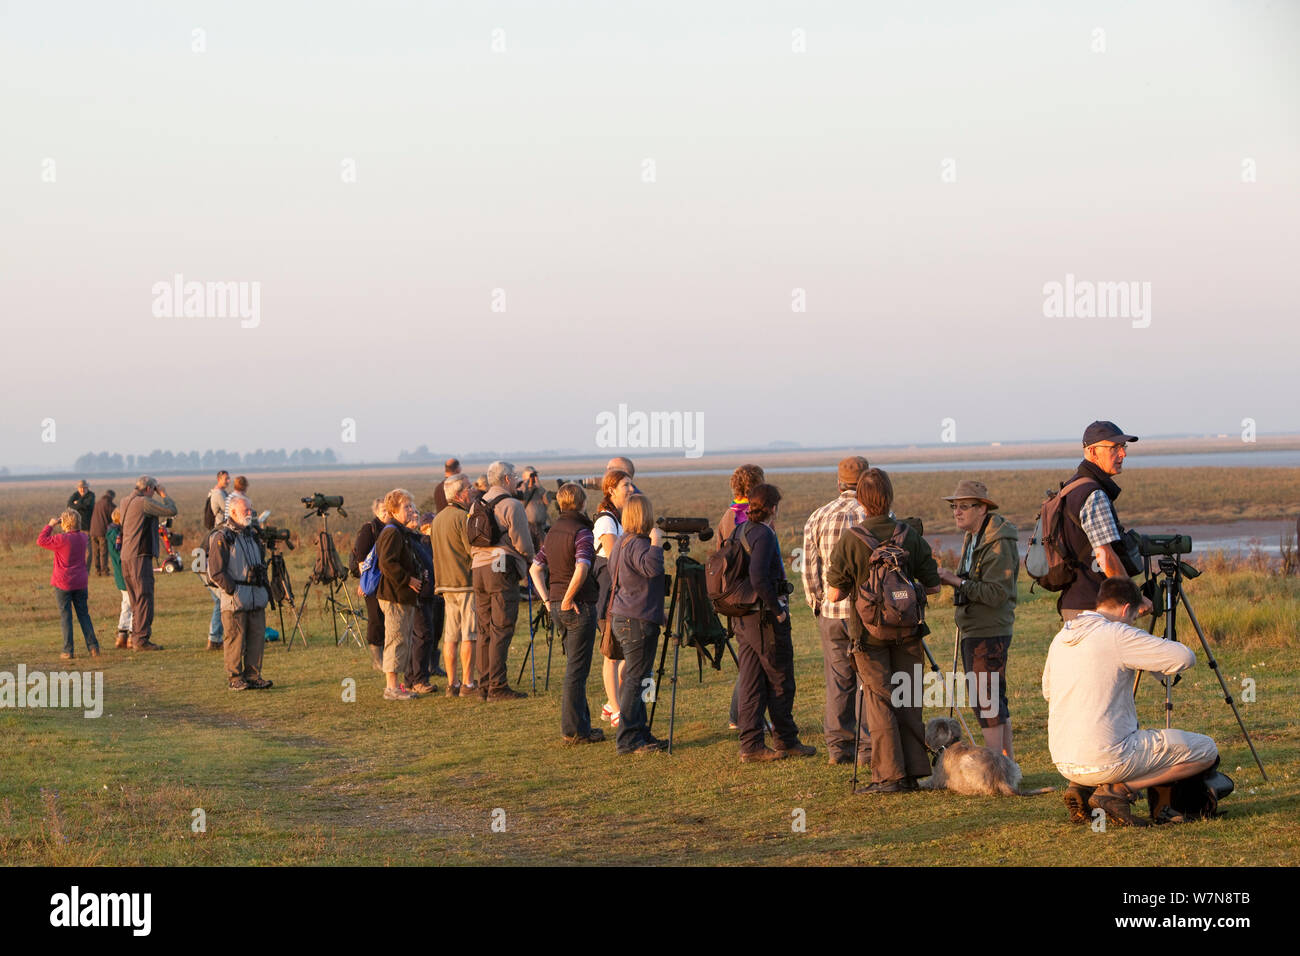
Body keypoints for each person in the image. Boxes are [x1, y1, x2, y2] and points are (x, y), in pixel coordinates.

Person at [1043, 577, 1219, 827]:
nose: (1134, 621)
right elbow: (1184, 657)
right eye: (1135, 617)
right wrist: (1148, 646)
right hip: (1106, 758)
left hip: (1063, 760)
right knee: (1206, 749)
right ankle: (1117, 791)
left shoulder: (1062, 636)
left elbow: (1048, 692)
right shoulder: (1116, 634)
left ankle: (1082, 787)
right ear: (1126, 609)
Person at [826, 468, 941, 794]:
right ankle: (915, 771)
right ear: (890, 497)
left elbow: (834, 593)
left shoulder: (852, 539)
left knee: (880, 702)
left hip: (868, 636)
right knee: (908, 698)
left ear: (861, 500)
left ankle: (889, 777)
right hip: (908, 633)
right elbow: (932, 587)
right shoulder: (909, 535)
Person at [731, 484, 816, 762]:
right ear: (772, 508)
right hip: (763, 618)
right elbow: (758, 577)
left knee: (751, 680)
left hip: (742, 617)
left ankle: (751, 745)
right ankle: (786, 740)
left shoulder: (740, 530)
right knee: (780, 678)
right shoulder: (765, 534)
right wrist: (776, 607)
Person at [936, 480, 1019, 759]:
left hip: (988, 629)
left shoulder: (997, 542)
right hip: (977, 627)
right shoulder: (975, 537)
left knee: (987, 700)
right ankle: (1006, 766)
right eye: (954, 507)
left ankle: (995, 768)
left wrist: (955, 581)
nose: (957, 512)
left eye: (964, 507)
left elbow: (997, 594)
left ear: (982, 508)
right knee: (994, 698)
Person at [801, 455, 873, 765]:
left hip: (830, 613)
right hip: (865, 612)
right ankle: (867, 747)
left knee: (838, 679)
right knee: (868, 679)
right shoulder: (872, 514)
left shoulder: (818, 516)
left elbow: (809, 569)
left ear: (838, 482)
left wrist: (819, 603)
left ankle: (837, 748)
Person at [530, 482, 605, 744]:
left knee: (575, 669)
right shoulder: (582, 531)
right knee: (577, 671)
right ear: (582, 503)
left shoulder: (552, 532)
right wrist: (569, 598)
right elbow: (582, 567)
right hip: (577, 606)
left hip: (558, 606)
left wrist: (549, 600)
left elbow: (535, 569)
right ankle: (574, 731)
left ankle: (582, 727)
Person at [1056, 421, 1152, 621]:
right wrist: (1134, 598)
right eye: (1114, 448)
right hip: (1096, 609)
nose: (1123, 454)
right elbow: (1105, 556)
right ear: (1092, 451)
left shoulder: (1072, 488)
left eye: (1123, 447)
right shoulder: (1093, 494)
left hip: (1077, 604)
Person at [607, 494, 668, 754]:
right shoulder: (640, 544)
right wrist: (656, 543)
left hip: (627, 615)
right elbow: (652, 569)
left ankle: (641, 732)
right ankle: (630, 739)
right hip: (636, 619)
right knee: (636, 678)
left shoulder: (622, 542)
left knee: (641, 677)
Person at [469, 461, 534, 700]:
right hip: (500, 567)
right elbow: (523, 543)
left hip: (478, 568)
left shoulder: (476, 504)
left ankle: (483, 685)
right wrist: (530, 561)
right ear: (506, 479)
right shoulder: (512, 505)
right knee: (502, 628)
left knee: (484, 628)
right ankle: (498, 686)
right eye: (515, 476)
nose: (518, 480)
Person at [716, 463, 769, 733]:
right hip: (750, 595)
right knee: (755, 659)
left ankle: (740, 714)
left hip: (731, 594)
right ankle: (745, 715)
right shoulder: (750, 516)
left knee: (749, 657)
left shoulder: (728, 515)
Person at [207, 496, 274, 691]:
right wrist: (232, 590)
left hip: (255, 595)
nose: (250, 513)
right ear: (233, 512)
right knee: (235, 639)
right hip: (236, 599)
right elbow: (215, 572)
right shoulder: (221, 536)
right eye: (246, 510)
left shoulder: (251, 534)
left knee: (256, 637)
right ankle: (235, 678)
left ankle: (253, 676)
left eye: (250, 509)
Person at [376, 489, 426, 700]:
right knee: (395, 639)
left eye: (410, 506)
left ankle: (397, 685)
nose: (410, 510)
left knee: (403, 638)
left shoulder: (401, 532)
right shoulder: (392, 532)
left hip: (402, 595)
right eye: (405, 507)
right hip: (394, 595)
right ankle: (391, 687)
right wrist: (408, 579)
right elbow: (387, 563)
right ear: (394, 511)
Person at [593, 469, 634, 726]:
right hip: (607, 592)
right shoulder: (607, 521)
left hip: (619, 591)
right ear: (611, 489)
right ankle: (617, 709)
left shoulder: (619, 518)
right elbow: (612, 557)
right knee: (612, 653)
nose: (631, 489)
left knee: (628, 652)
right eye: (626, 485)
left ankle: (611, 704)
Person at [432, 475, 478, 697]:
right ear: (460, 494)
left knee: (450, 635)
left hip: (445, 585)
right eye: (469, 488)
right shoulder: (463, 517)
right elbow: (472, 551)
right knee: (469, 634)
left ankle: (452, 684)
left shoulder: (437, 519)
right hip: (465, 583)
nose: (472, 490)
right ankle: (468, 684)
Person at [119, 475, 177, 651]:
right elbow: (171, 510)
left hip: (126, 556)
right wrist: (164, 493)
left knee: (135, 599)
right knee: (144, 597)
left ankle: (136, 637)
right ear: (149, 488)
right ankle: (141, 639)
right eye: (154, 489)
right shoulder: (143, 502)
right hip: (139, 556)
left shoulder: (124, 501)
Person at [38, 510, 100, 659]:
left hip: (63, 582)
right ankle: (93, 647)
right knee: (84, 614)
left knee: (66, 616)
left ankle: (68, 650)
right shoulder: (83, 537)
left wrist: (51, 525)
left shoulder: (61, 539)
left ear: (64, 523)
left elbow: (41, 541)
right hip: (80, 581)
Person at [404, 509, 440, 696]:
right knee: (423, 636)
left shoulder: (416, 539)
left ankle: (412, 679)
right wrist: (410, 581)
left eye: (416, 512)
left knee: (423, 635)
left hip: (425, 593)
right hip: (416, 594)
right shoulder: (405, 539)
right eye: (411, 514)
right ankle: (418, 679)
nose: (415, 515)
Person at [350, 498, 388, 672]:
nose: (386, 513)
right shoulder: (370, 529)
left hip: (386, 580)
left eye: (388, 510)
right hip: (372, 581)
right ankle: (376, 659)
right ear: (376, 512)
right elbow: (361, 557)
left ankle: (387, 656)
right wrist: (364, 582)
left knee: (387, 618)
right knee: (375, 618)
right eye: (383, 510)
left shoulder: (391, 527)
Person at [202, 471, 232, 650]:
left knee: (220, 598)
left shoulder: (217, 493)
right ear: (219, 479)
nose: (228, 481)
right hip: (218, 538)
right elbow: (229, 512)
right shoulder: (219, 494)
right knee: (220, 598)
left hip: (215, 540)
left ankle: (216, 637)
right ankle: (214, 638)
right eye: (226, 478)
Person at [106, 507, 132, 647]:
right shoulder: (118, 535)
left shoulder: (110, 532)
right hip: (126, 573)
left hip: (119, 574)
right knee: (134, 604)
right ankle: (132, 636)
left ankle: (122, 634)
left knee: (126, 603)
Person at [518, 466, 554, 546]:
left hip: (541, 527)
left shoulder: (539, 489)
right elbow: (522, 498)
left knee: (543, 552)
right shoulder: (521, 488)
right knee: (528, 551)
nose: (534, 478)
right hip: (527, 526)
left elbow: (548, 501)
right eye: (532, 476)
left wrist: (539, 486)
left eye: (535, 476)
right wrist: (527, 484)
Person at [89, 489, 115, 577]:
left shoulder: (98, 503)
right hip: (102, 532)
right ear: (111, 496)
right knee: (103, 552)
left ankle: (97, 570)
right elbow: (114, 515)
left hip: (93, 531)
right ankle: (104, 571)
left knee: (95, 552)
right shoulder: (109, 504)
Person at [68, 480, 95, 558]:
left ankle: (86, 569)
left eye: (84, 488)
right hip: (75, 527)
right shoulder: (75, 494)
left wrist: (77, 503)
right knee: (76, 549)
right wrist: (81, 504)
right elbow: (69, 505)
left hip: (87, 526)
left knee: (87, 551)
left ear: (87, 488)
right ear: (78, 488)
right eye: (81, 488)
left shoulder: (91, 495)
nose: (82, 490)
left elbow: (88, 505)